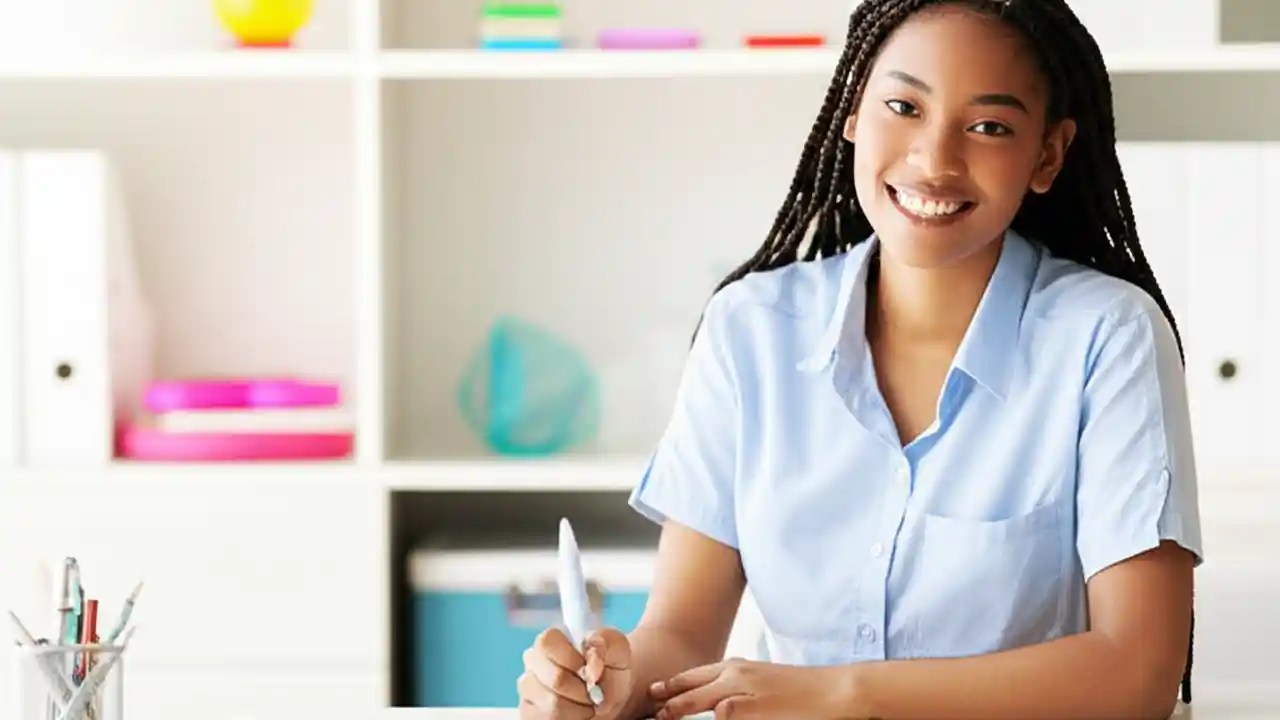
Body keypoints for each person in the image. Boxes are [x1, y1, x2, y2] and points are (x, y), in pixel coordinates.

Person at [517, 0, 1203, 717]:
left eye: (989, 126)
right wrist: (607, 689)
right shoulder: (750, 327)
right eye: (904, 106)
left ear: (1047, 154)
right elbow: (684, 633)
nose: (935, 159)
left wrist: (848, 693)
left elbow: (1138, 672)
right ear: (852, 109)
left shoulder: (1108, 336)